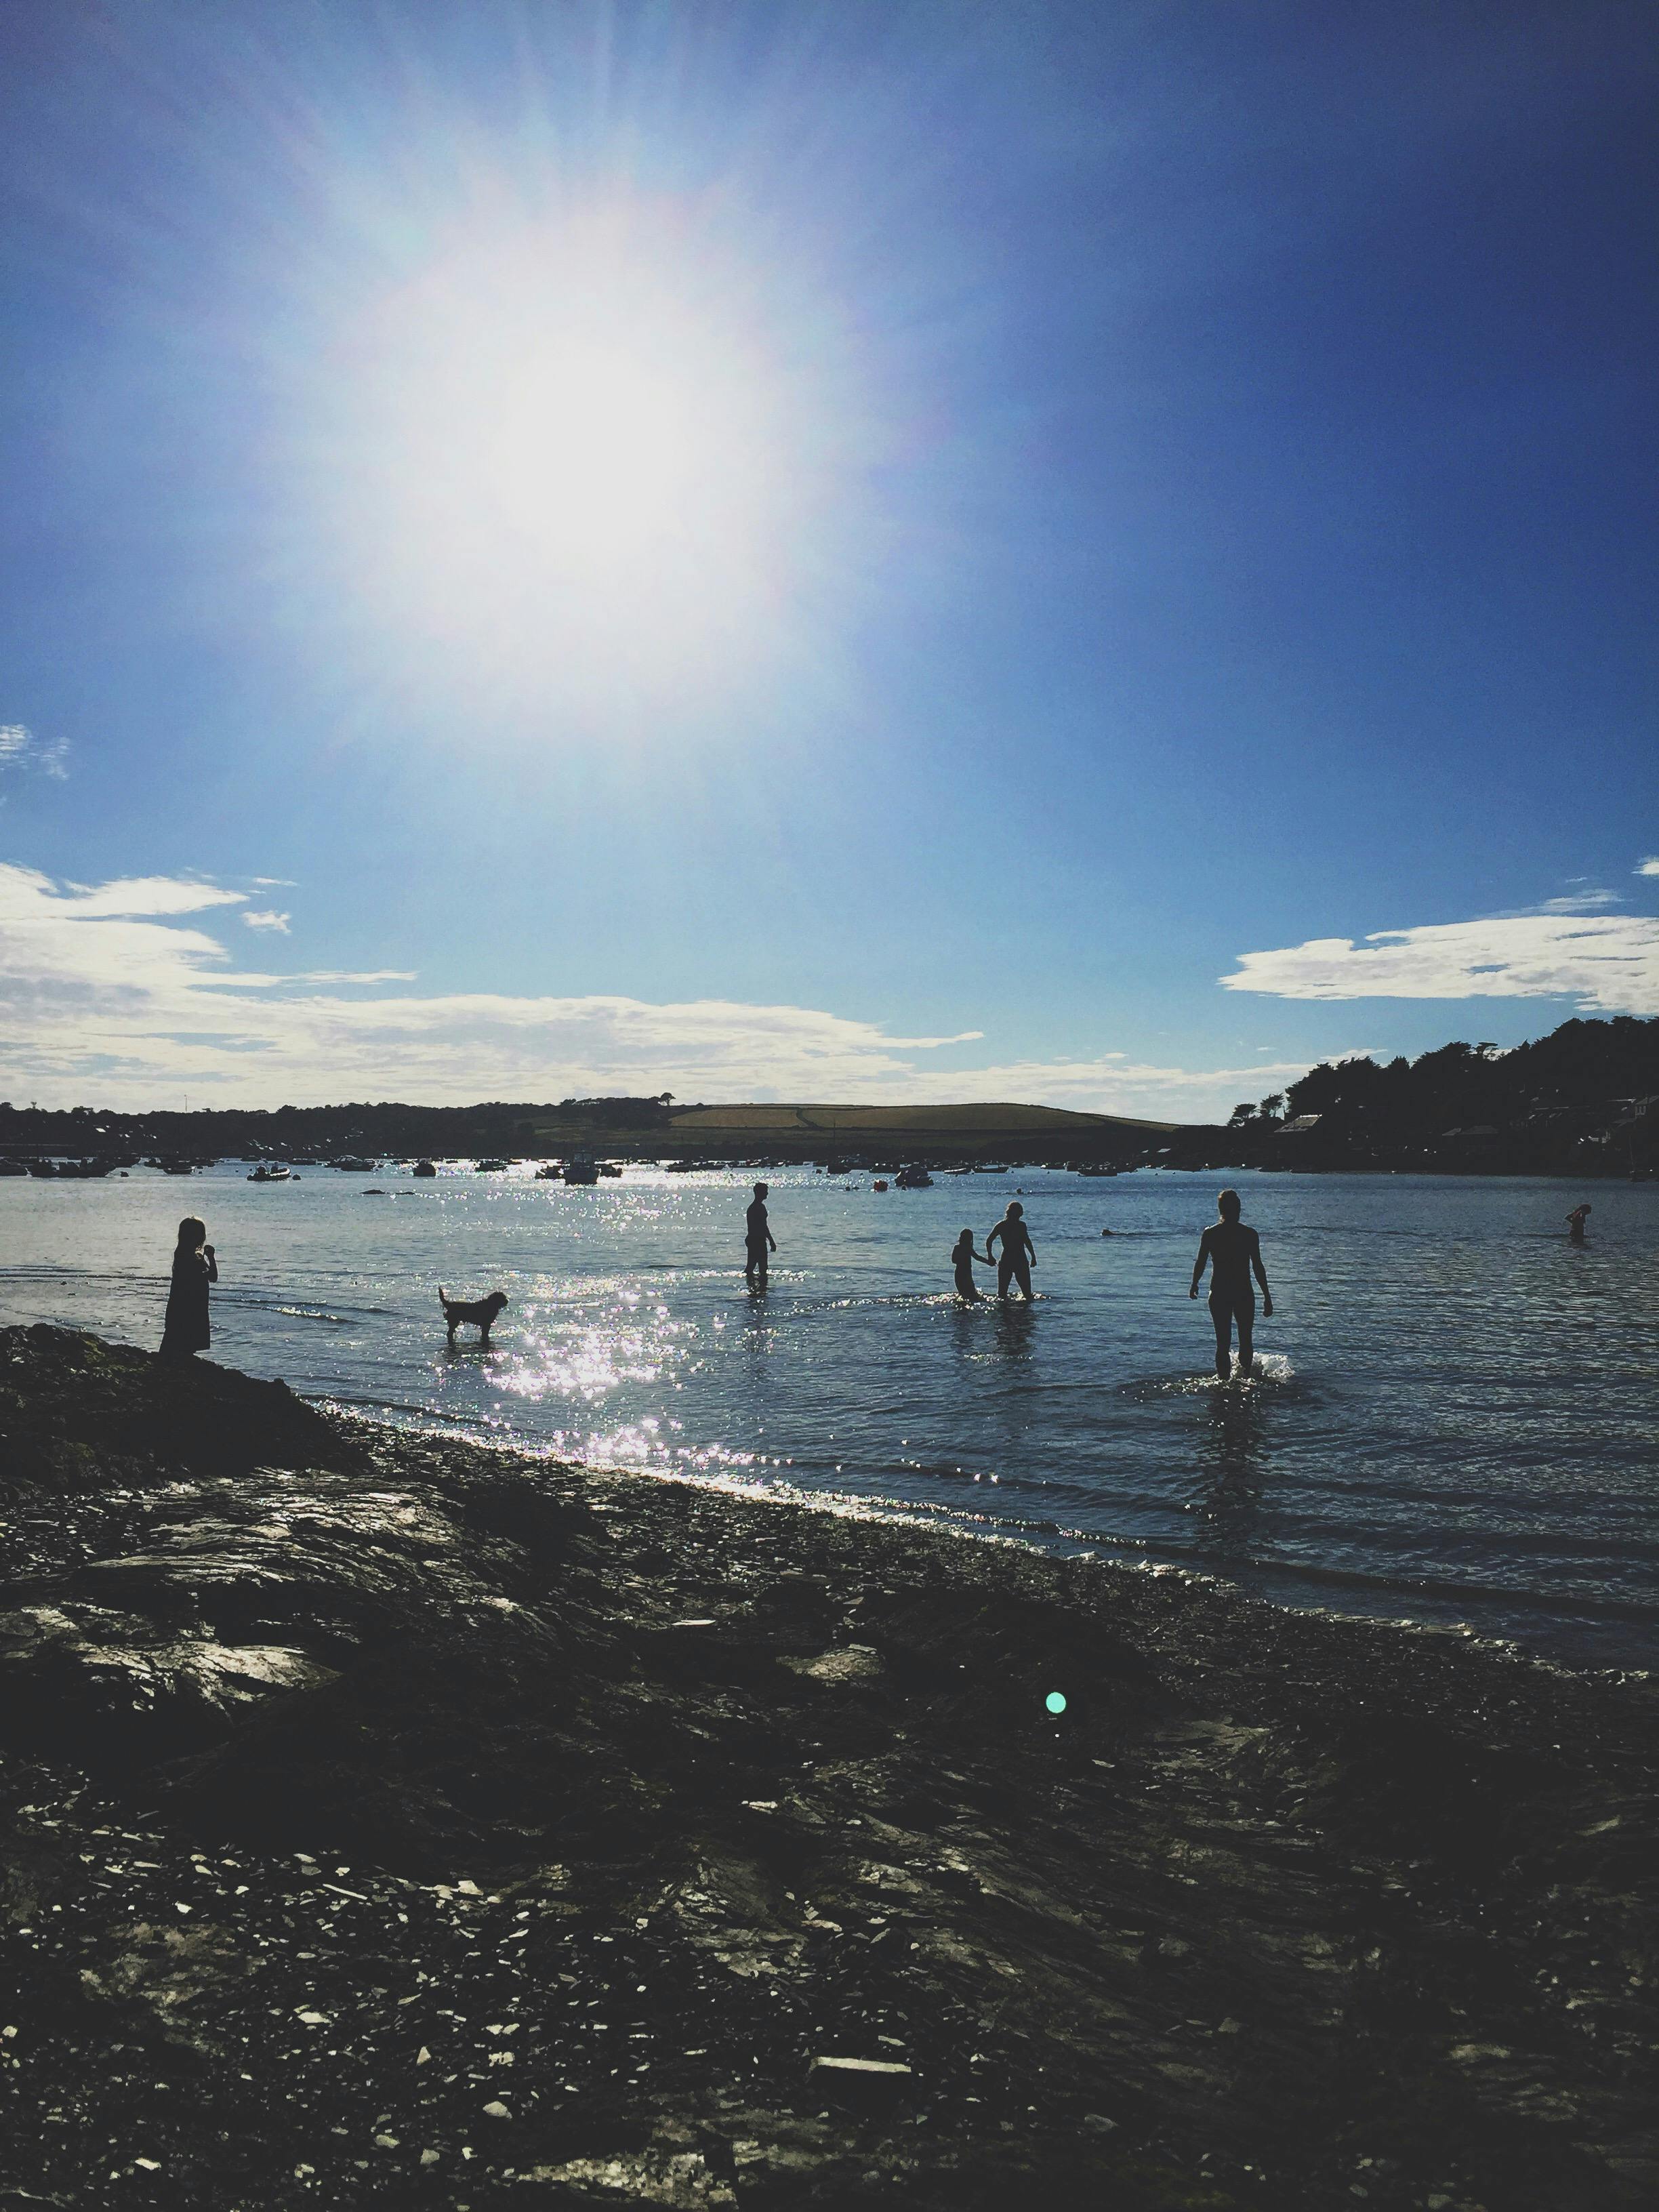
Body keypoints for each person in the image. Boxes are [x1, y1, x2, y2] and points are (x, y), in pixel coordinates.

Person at [1190, 1189, 1271, 1381]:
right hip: (1243, 1292)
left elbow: (1201, 1262)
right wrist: (1267, 1296)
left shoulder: (1211, 1234)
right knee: (1246, 1339)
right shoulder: (1249, 1234)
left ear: (1220, 1210)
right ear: (1239, 1209)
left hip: (1219, 1292)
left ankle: (1223, 1383)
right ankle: (1246, 1380)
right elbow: (1258, 1266)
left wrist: (1194, 1283)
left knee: (1223, 1342)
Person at [159, 1215, 217, 1363]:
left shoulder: (197, 1256)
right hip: (185, 1306)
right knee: (177, 1342)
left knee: (182, 1343)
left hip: (195, 1305)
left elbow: (213, 1277)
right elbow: (200, 1277)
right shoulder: (183, 1256)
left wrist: (211, 1257)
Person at [987, 1201, 1036, 1300]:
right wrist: (990, 1256)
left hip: (1011, 1259)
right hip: (1017, 1259)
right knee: (1026, 1294)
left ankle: (1004, 1310)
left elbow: (989, 1240)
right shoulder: (1017, 1225)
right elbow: (1027, 1241)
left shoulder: (1004, 1225)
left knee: (1003, 1294)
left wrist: (990, 1256)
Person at [744, 1182, 777, 1286]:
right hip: (757, 1240)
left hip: (752, 1239)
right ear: (760, 1193)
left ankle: (752, 1287)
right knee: (762, 1269)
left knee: (751, 1267)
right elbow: (763, 1226)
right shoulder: (759, 1207)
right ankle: (761, 1289)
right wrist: (771, 1241)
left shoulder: (753, 1207)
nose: (767, 1194)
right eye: (765, 1192)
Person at [951, 1229, 994, 1300]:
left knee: (963, 1294)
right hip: (966, 1274)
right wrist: (988, 1262)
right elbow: (977, 1257)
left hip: (958, 1274)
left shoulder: (957, 1248)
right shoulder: (968, 1248)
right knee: (972, 1294)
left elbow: (953, 1260)